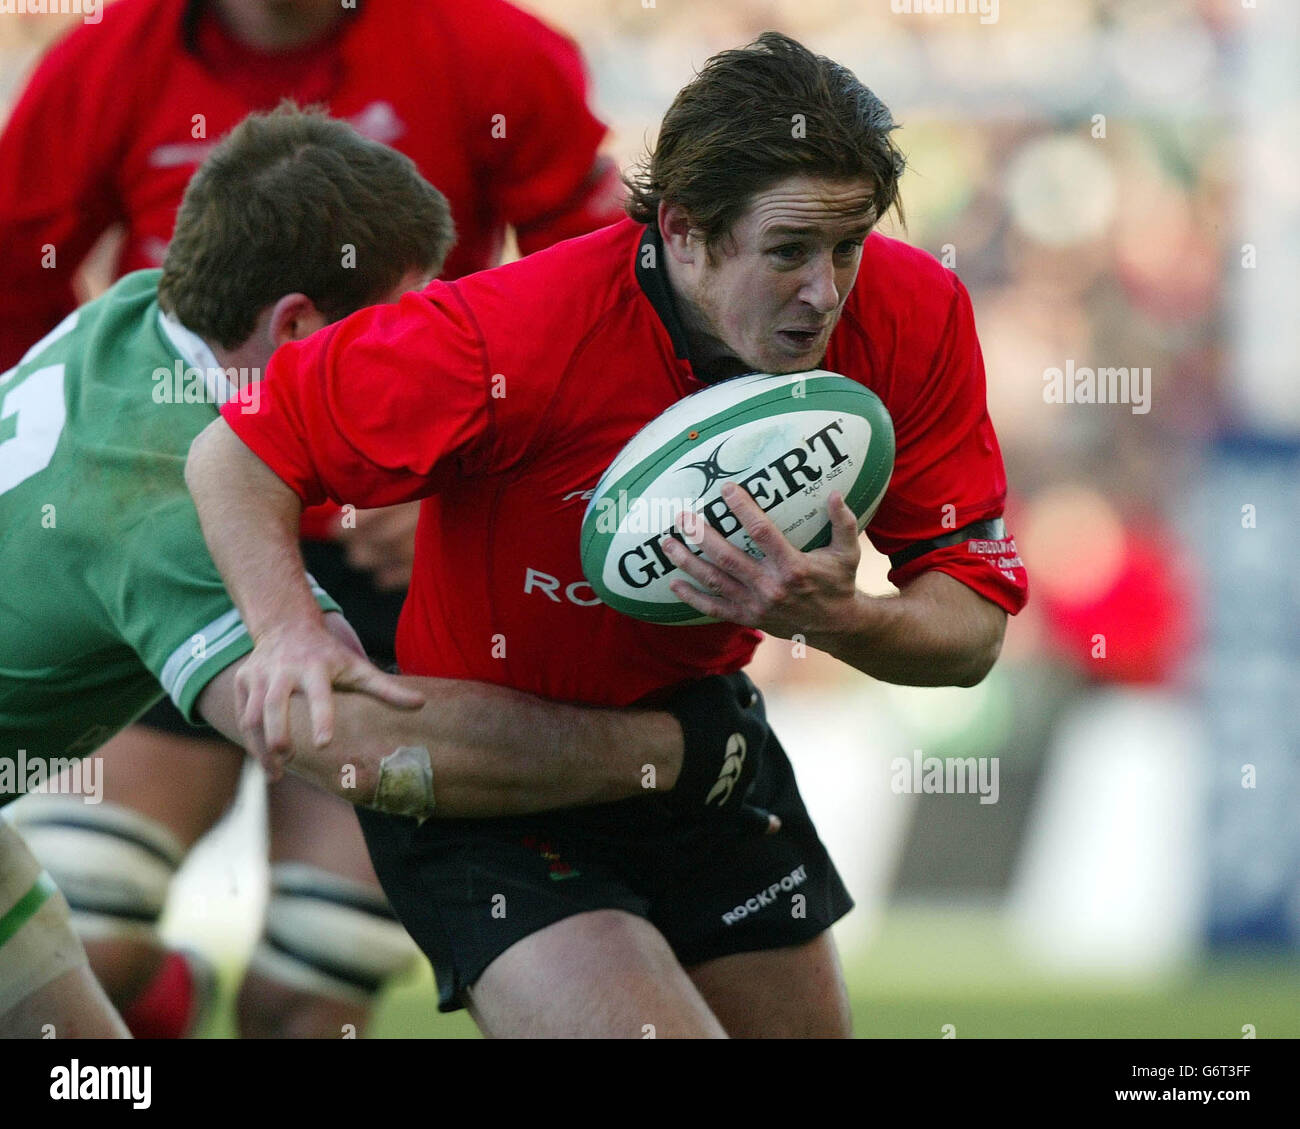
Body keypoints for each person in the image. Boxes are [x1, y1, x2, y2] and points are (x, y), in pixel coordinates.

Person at [186, 32, 1031, 1038]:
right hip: (491, 779)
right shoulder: (510, 331)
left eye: (846, 245)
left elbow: (972, 632)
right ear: (682, 230)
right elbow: (236, 455)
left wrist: (838, 618)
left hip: (703, 751)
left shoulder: (912, 311)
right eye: (789, 250)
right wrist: (287, 628)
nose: (824, 289)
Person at [0, 105, 768, 1039]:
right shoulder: (170, 511)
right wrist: (671, 755)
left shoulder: (142, 312)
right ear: (294, 325)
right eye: (401, 322)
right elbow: (363, 746)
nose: (422, 352)